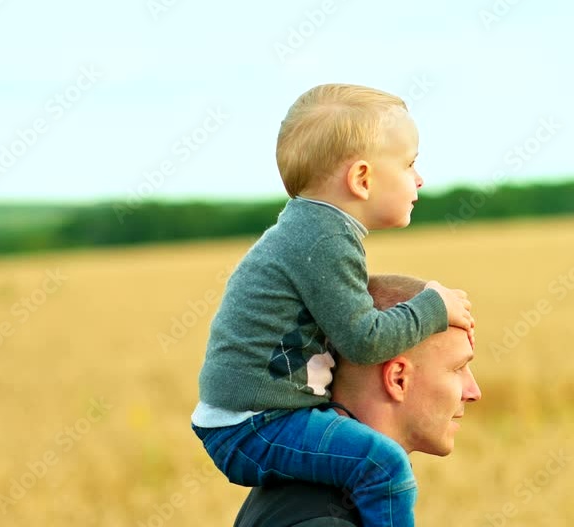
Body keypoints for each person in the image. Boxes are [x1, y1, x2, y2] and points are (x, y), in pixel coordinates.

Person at [191, 84, 476, 527]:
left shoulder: (312, 229)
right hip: (254, 424)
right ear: (362, 179)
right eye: (409, 163)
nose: (419, 178)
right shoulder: (326, 239)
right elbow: (364, 342)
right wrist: (434, 307)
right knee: (382, 467)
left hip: (252, 417)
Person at [234, 274, 483, 526]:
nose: (474, 392)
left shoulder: (294, 491)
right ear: (398, 379)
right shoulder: (326, 521)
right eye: (458, 368)